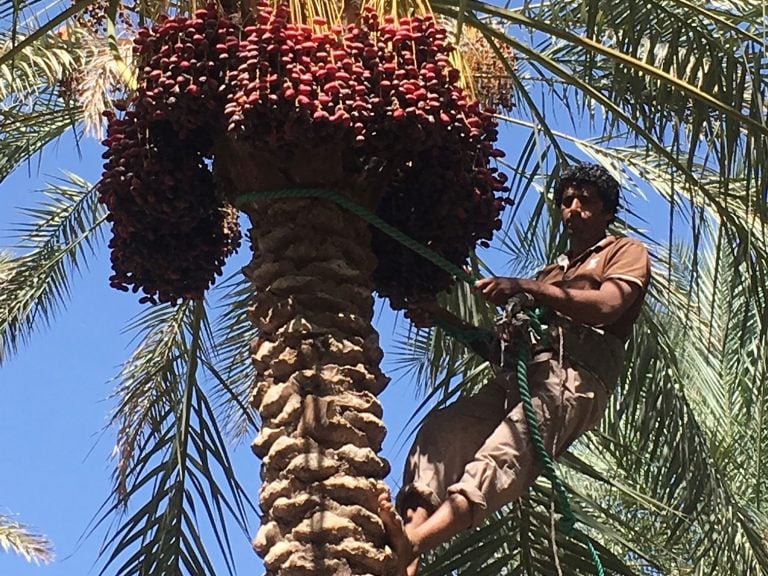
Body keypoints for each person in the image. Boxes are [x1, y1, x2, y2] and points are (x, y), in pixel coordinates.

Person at [377, 163, 651, 576]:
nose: (573, 209)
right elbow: (501, 348)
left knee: (505, 452)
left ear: (607, 211)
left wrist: (526, 287)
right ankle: (407, 551)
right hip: (517, 377)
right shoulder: (552, 272)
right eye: (566, 201)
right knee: (441, 432)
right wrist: (443, 318)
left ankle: (415, 542)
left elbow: (609, 305)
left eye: (586, 201)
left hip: (573, 379)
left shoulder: (624, 251)